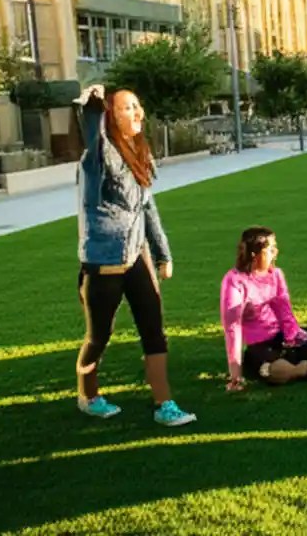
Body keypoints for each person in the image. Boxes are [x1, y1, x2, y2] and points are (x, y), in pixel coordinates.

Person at [72, 84, 195, 427]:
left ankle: (164, 404)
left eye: (138, 106)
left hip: (137, 255)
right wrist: (93, 107)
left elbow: (148, 207)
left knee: (154, 331)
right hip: (104, 262)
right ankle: (88, 395)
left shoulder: (138, 153)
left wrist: (162, 252)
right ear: (111, 116)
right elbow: (94, 142)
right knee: (99, 337)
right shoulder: (96, 159)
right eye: (128, 108)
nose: (138, 112)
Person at [222, 227, 307, 392]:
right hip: (260, 345)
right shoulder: (235, 281)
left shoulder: (276, 274)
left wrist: (293, 341)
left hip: (284, 337)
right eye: (271, 248)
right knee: (269, 369)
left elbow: (285, 313)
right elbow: (232, 329)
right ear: (254, 253)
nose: (276, 251)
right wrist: (235, 376)